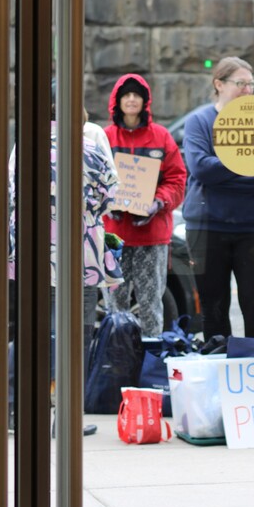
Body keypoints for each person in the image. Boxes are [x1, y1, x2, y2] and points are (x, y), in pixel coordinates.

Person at [6, 94, 124, 435]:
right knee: (77, 333)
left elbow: (12, 190)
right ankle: (66, 416)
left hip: (33, 251)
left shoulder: (25, 145)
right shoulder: (89, 148)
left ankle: (19, 410)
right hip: (81, 255)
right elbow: (110, 196)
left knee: (32, 331)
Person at [182, 56, 254, 340]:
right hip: (206, 226)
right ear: (219, 84)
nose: (248, 90)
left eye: (251, 84)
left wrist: (224, 168)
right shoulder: (199, 122)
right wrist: (249, 162)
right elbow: (201, 169)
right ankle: (218, 367)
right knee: (213, 306)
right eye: (241, 83)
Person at [103, 74, 186, 336]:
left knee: (151, 305)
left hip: (151, 237)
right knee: (115, 307)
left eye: (136, 95)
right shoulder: (104, 137)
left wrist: (158, 202)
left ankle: (150, 363)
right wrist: (108, 202)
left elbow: (177, 179)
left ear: (145, 101)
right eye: (125, 95)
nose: (131, 99)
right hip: (114, 236)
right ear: (116, 101)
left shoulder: (161, 137)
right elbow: (92, 178)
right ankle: (116, 361)